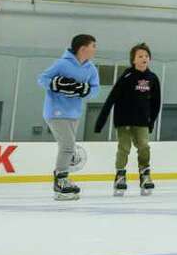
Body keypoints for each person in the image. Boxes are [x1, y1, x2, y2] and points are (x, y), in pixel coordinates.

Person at [37, 34, 100, 201]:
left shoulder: (91, 68)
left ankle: (63, 179)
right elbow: (42, 79)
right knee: (68, 146)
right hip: (55, 112)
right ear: (83, 48)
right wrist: (55, 84)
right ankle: (60, 181)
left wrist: (83, 89)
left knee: (68, 147)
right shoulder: (62, 63)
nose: (95, 49)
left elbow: (95, 89)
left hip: (74, 113)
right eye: (93, 45)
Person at [94, 42, 161, 196]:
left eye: (146, 56)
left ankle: (145, 174)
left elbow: (156, 102)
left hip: (142, 121)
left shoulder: (152, 78)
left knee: (144, 146)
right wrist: (100, 122)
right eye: (140, 56)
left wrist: (151, 122)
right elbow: (111, 98)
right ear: (133, 60)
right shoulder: (126, 76)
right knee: (124, 148)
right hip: (124, 120)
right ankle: (120, 176)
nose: (144, 58)